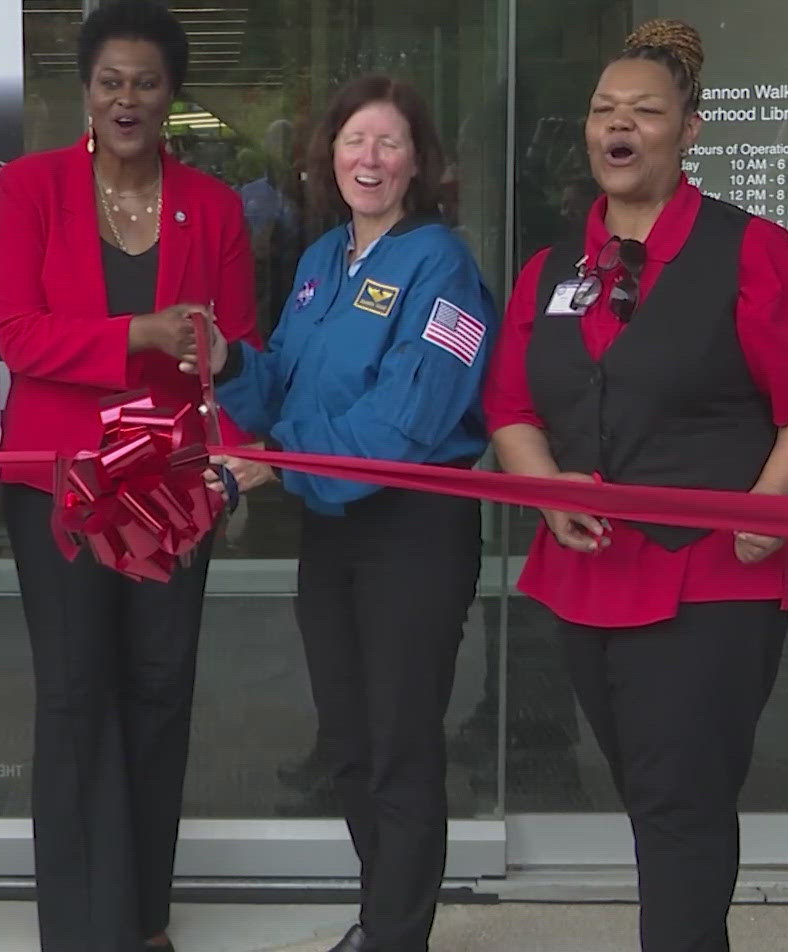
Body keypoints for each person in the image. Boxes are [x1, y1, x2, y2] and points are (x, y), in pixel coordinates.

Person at [483, 20, 788, 952]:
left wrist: (767, 499)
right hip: (589, 577)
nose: (619, 125)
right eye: (604, 110)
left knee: (680, 801)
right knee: (654, 797)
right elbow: (511, 407)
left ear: (688, 131)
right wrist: (548, 489)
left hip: (712, 575)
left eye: (645, 112)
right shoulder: (551, 270)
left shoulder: (750, 251)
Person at [0, 0, 265, 952]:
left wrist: (230, 457)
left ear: (172, 93)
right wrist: (136, 334)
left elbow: (238, 348)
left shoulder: (215, 206)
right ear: (86, 90)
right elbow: (16, 334)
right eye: (111, 81)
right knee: (74, 694)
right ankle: (79, 928)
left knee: (158, 688)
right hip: (58, 484)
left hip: (169, 485)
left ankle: (143, 918)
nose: (127, 99)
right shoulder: (31, 187)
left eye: (147, 82)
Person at [203, 74, 497, 952]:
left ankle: (396, 934)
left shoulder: (442, 266)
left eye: (389, 142)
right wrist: (225, 361)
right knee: (349, 743)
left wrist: (281, 457)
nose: (369, 159)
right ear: (327, 155)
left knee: (401, 744)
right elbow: (282, 386)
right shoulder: (322, 261)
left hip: (413, 531)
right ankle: (380, 917)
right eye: (354, 140)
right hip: (331, 532)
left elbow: (406, 421)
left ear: (418, 162)